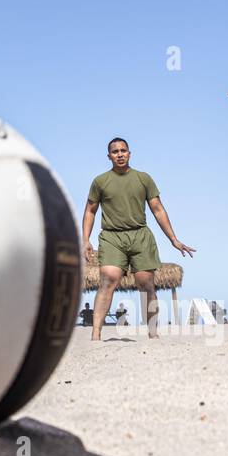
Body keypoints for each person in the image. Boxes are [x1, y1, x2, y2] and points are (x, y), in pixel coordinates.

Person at [81, 138, 195, 339]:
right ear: (109, 156)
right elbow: (90, 210)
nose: (120, 154)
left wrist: (173, 239)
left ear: (130, 153)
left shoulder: (143, 178)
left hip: (140, 235)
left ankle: (153, 333)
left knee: (146, 283)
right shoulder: (100, 181)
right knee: (108, 279)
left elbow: (158, 210)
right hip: (111, 236)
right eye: (115, 151)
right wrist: (85, 239)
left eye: (123, 150)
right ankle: (96, 334)